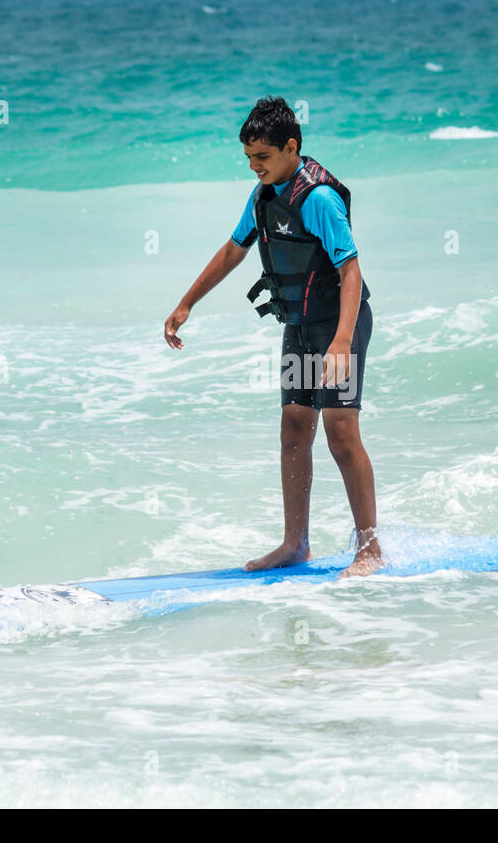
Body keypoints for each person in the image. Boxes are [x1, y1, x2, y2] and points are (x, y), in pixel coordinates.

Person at [164, 97, 383, 578]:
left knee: (341, 434)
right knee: (293, 427)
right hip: (299, 326)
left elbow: (350, 269)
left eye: (262, 157)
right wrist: (186, 303)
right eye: (248, 159)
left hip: (336, 325)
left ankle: (370, 549)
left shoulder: (319, 199)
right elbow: (232, 249)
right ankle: (295, 544)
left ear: (291, 147)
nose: (254, 167)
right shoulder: (262, 196)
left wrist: (342, 342)